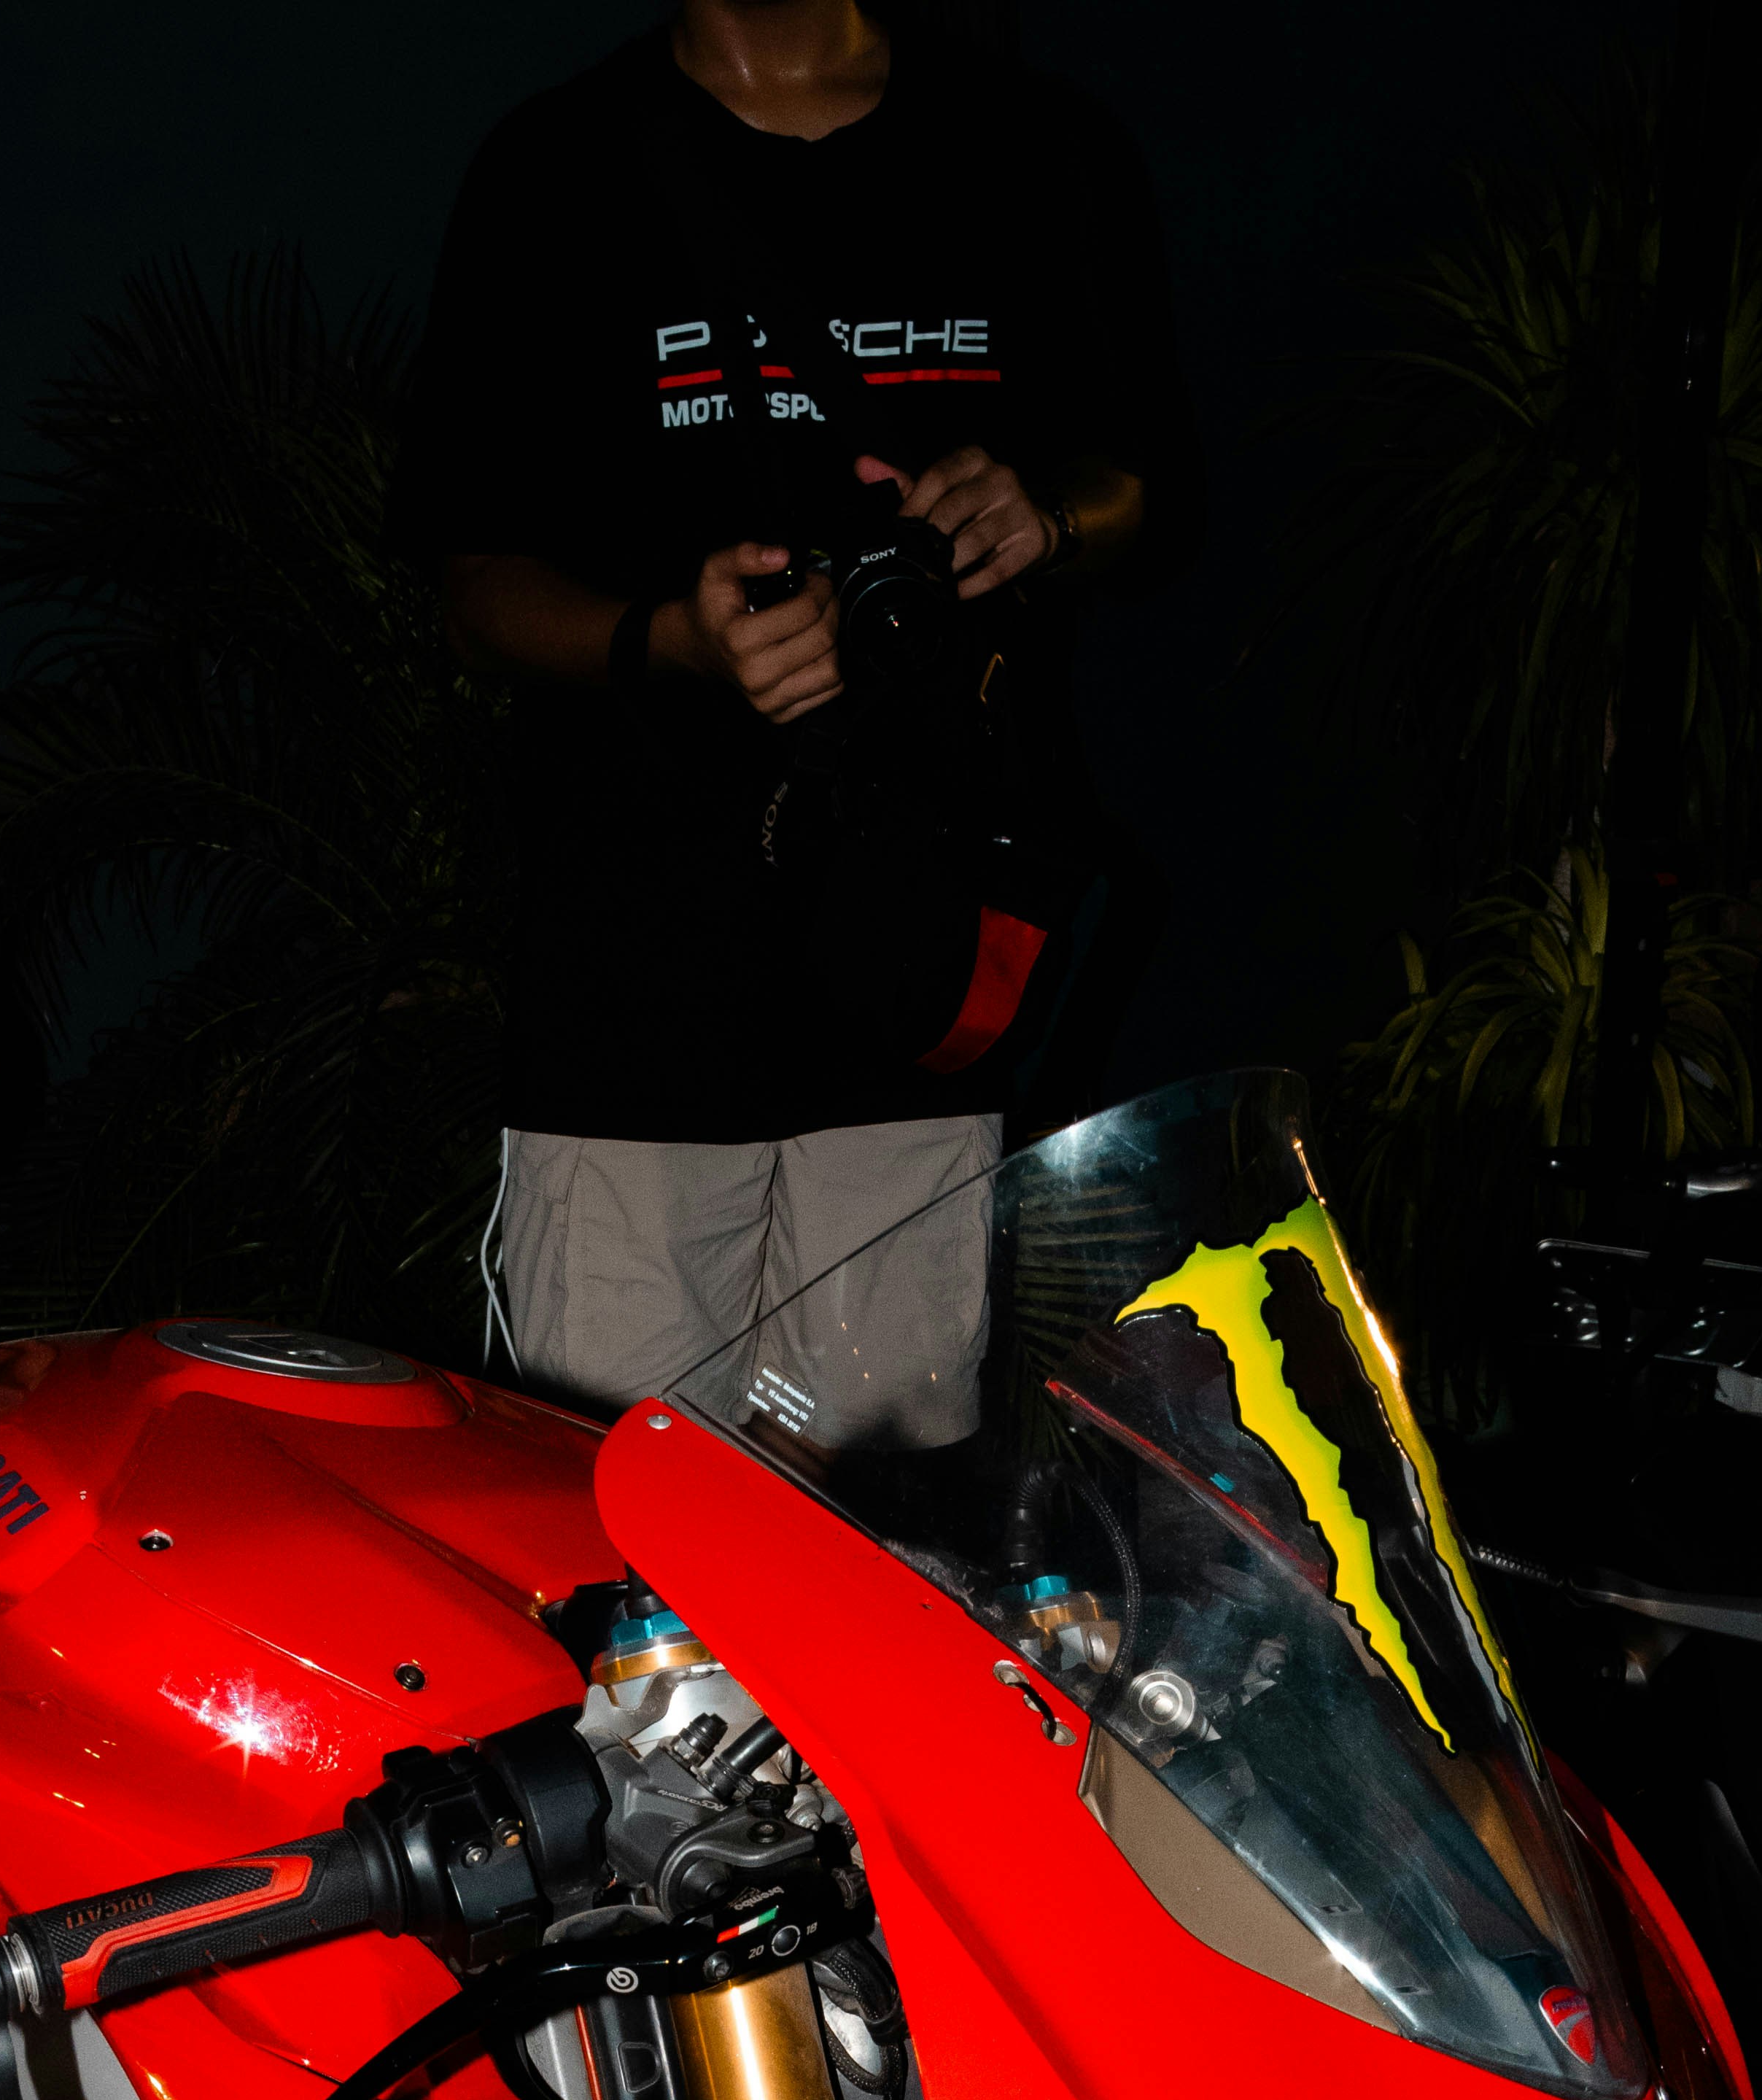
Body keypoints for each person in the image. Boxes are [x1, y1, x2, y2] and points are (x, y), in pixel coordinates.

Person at [405, 0, 1187, 1427]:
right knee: (618, 1522)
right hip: (633, 998)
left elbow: (1139, 481)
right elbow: (471, 579)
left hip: (923, 988)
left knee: (888, 1524)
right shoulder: (553, 168)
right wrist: (668, 640)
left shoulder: (1031, 150)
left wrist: (1045, 515)